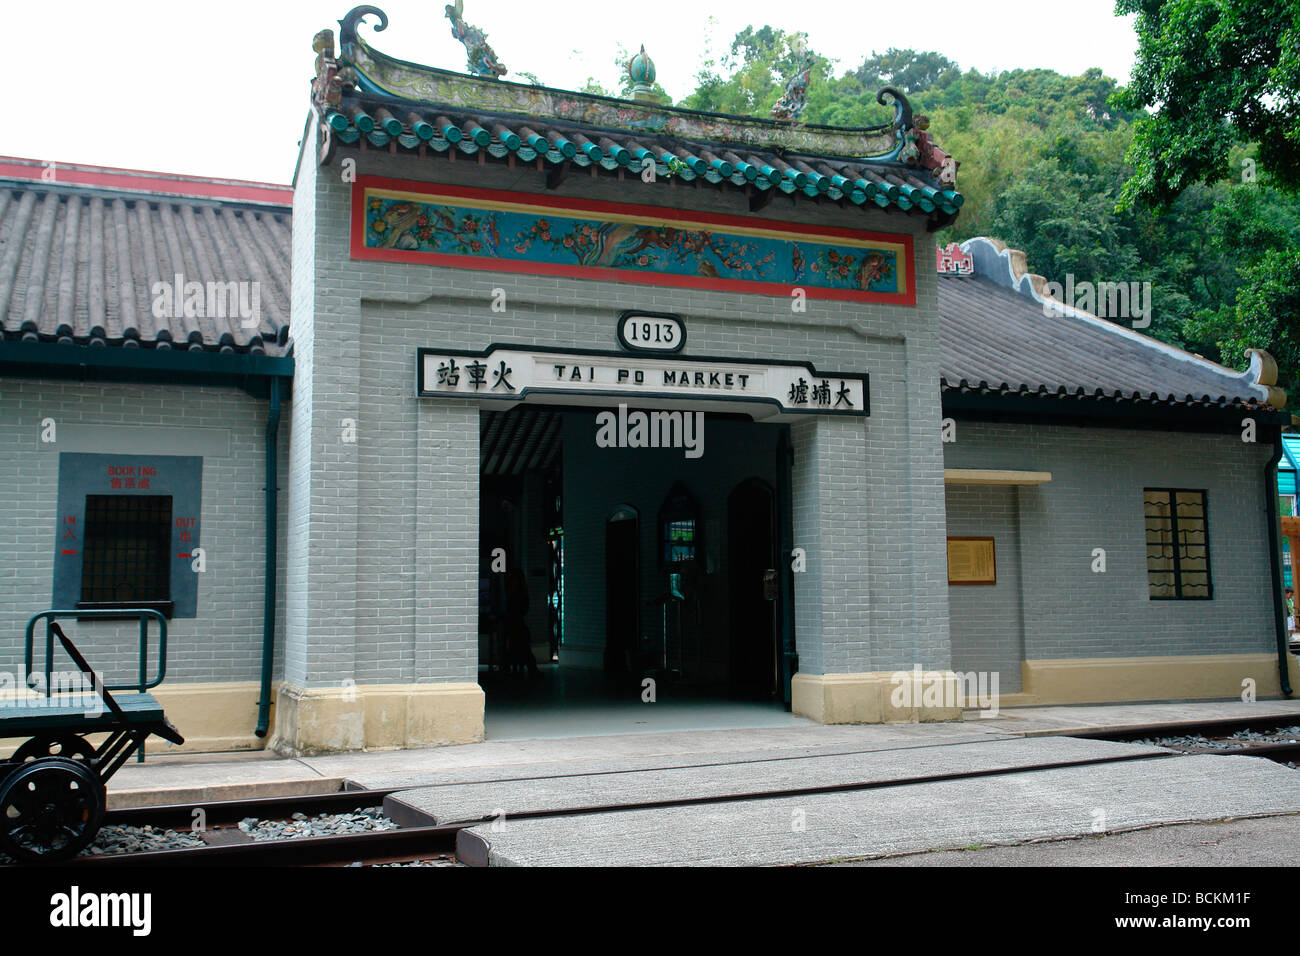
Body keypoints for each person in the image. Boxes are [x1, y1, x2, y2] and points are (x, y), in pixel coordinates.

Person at [504, 567, 539, 676]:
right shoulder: (521, 593)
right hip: (517, 622)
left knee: (517, 644)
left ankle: (515, 667)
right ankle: (528, 668)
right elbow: (524, 608)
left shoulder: (511, 593)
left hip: (514, 622)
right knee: (522, 644)